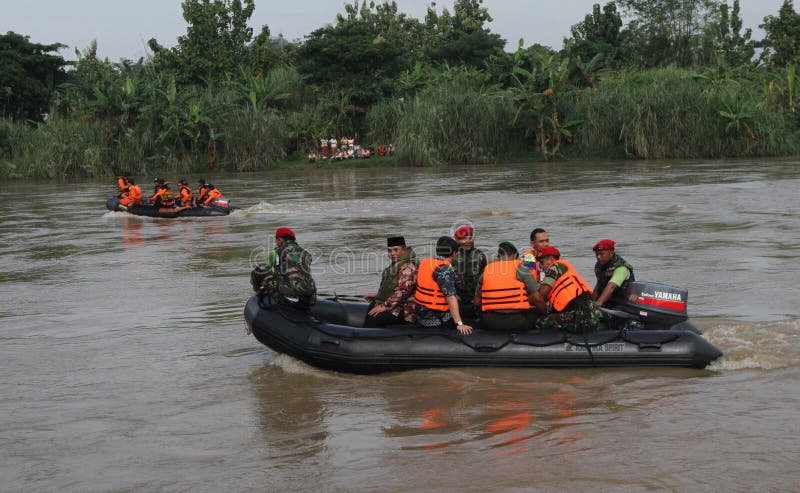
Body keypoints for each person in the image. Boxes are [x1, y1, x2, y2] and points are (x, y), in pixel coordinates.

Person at [474, 241, 540, 331]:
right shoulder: (522, 269)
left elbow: (477, 301)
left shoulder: (487, 270)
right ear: (514, 256)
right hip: (518, 322)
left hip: (490, 322)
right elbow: (537, 298)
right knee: (534, 312)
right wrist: (544, 313)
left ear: (498, 256)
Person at [414, 236, 473, 335]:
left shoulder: (425, 262)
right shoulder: (444, 269)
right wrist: (459, 324)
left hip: (420, 314)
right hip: (437, 319)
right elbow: (450, 298)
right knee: (470, 314)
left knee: (462, 306)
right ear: (454, 254)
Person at [534, 246, 601, 333]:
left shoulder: (554, 267)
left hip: (580, 315)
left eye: (542, 262)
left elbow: (542, 293)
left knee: (539, 322)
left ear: (551, 259)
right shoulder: (563, 268)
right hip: (589, 312)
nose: (541, 266)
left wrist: (530, 298)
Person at [255, 227, 317, 309]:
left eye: (276, 240)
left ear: (280, 240)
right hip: (310, 299)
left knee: (259, 271)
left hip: (287, 298)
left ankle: (258, 292)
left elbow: (262, 270)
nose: (276, 243)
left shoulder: (275, 252)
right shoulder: (306, 254)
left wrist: (257, 289)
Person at [363, 236, 418, 327]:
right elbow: (395, 288)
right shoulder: (398, 264)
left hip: (406, 310)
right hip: (397, 305)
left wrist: (385, 306)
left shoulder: (408, 267)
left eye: (396, 250)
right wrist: (378, 296)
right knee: (373, 305)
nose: (392, 253)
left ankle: (367, 338)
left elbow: (403, 291)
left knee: (375, 317)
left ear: (404, 250)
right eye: (389, 250)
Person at [452, 225, 487, 317]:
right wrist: (453, 294)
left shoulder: (480, 256)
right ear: (457, 241)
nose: (469, 241)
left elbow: (484, 278)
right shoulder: (452, 257)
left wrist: (479, 297)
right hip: (457, 299)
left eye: (470, 238)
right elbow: (447, 278)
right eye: (464, 238)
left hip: (475, 298)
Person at [592, 239, 635, 308]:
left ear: (611, 253)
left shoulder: (621, 267)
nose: (598, 257)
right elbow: (599, 284)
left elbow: (612, 286)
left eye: (601, 254)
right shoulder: (600, 265)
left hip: (623, 303)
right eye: (597, 254)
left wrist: (598, 303)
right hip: (608, 301)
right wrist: (592, 302)